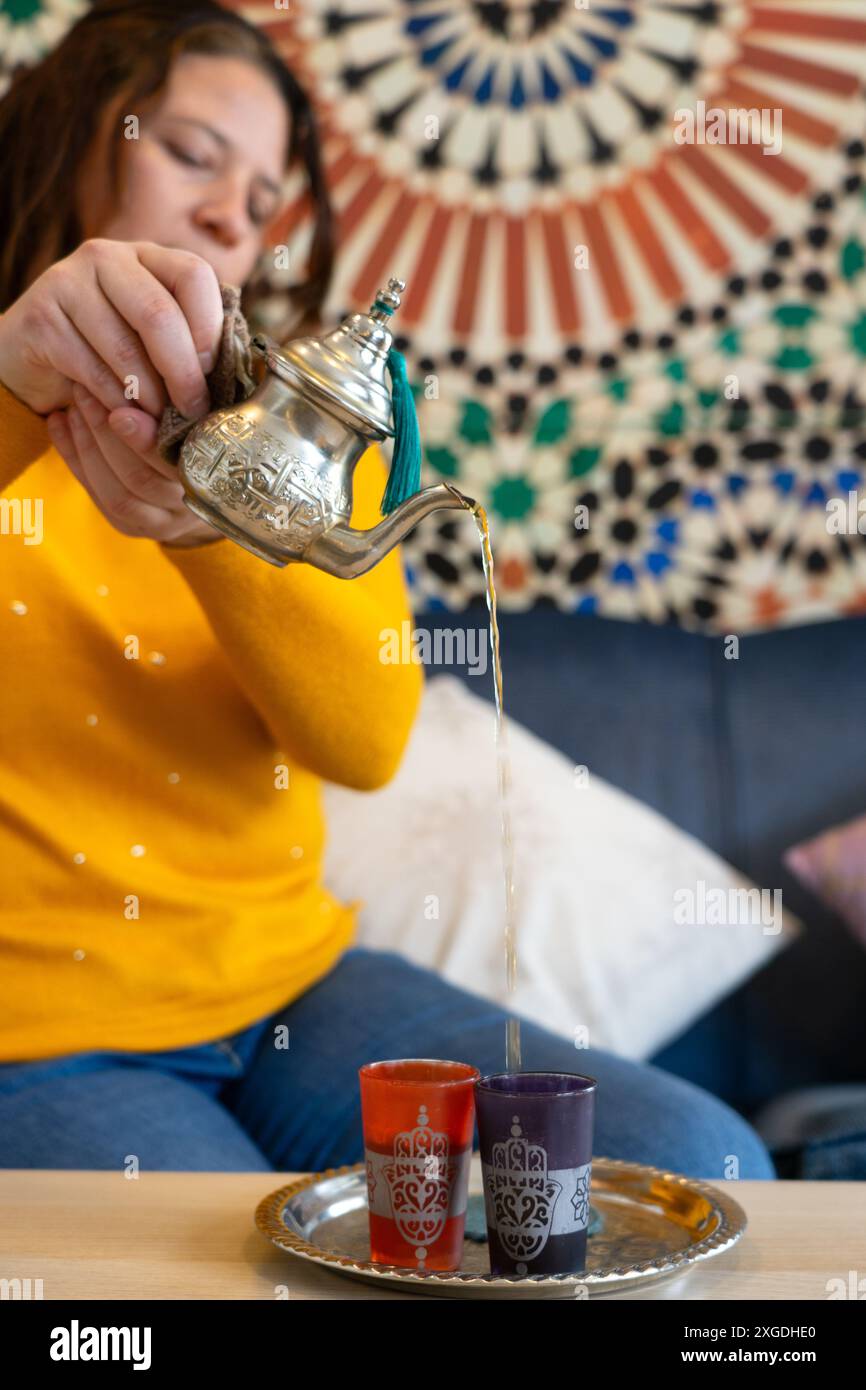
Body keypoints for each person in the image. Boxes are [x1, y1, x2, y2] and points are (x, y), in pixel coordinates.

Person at [0, 0, 775, 1180]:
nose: (230, 212)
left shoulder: (294, 437)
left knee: (688, 1161)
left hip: (297, 991)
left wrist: (215, 517)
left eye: (262, 199)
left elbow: (364, 739)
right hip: (40, 1037)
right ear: (64, 131)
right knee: (220, 1265)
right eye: (193, 153)